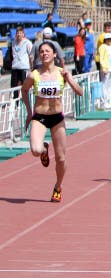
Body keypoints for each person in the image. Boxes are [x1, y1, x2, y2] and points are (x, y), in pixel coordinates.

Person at [21, 41, 84, 202]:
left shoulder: (62, 73)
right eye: (41, 52)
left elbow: (80, 92)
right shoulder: (34, 74)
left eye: (47, 51)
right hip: (40, 117)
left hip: (57, 118)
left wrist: (69, 79)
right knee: (35, 149)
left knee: (61, 159)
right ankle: (43, 150)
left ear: (54, 54)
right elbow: (24, 90)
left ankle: (58, 186)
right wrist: (29, 112)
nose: (44, 54)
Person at [10, 27, 33, 98]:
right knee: (14, 87)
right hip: (15, 67)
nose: (19, 35)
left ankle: (26, 100)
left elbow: (31, 55)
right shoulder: (13, 42)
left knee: (25, 85)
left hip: (24, 67)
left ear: (23, 34)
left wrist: (31, 67)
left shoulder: (27, 43)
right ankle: (15, 103)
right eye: (17, 33)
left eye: (20, 33)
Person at [98, 33, 111, 109]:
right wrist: (104, 68)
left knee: (109, 86)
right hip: (105, 69)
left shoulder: (110, 47)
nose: (109, 40)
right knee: (104, 85)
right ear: (105, 39)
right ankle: (103, 102)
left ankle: (108, 101)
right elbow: (101, 58)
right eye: (108, 39)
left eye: (110, 39)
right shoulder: (102, 47)